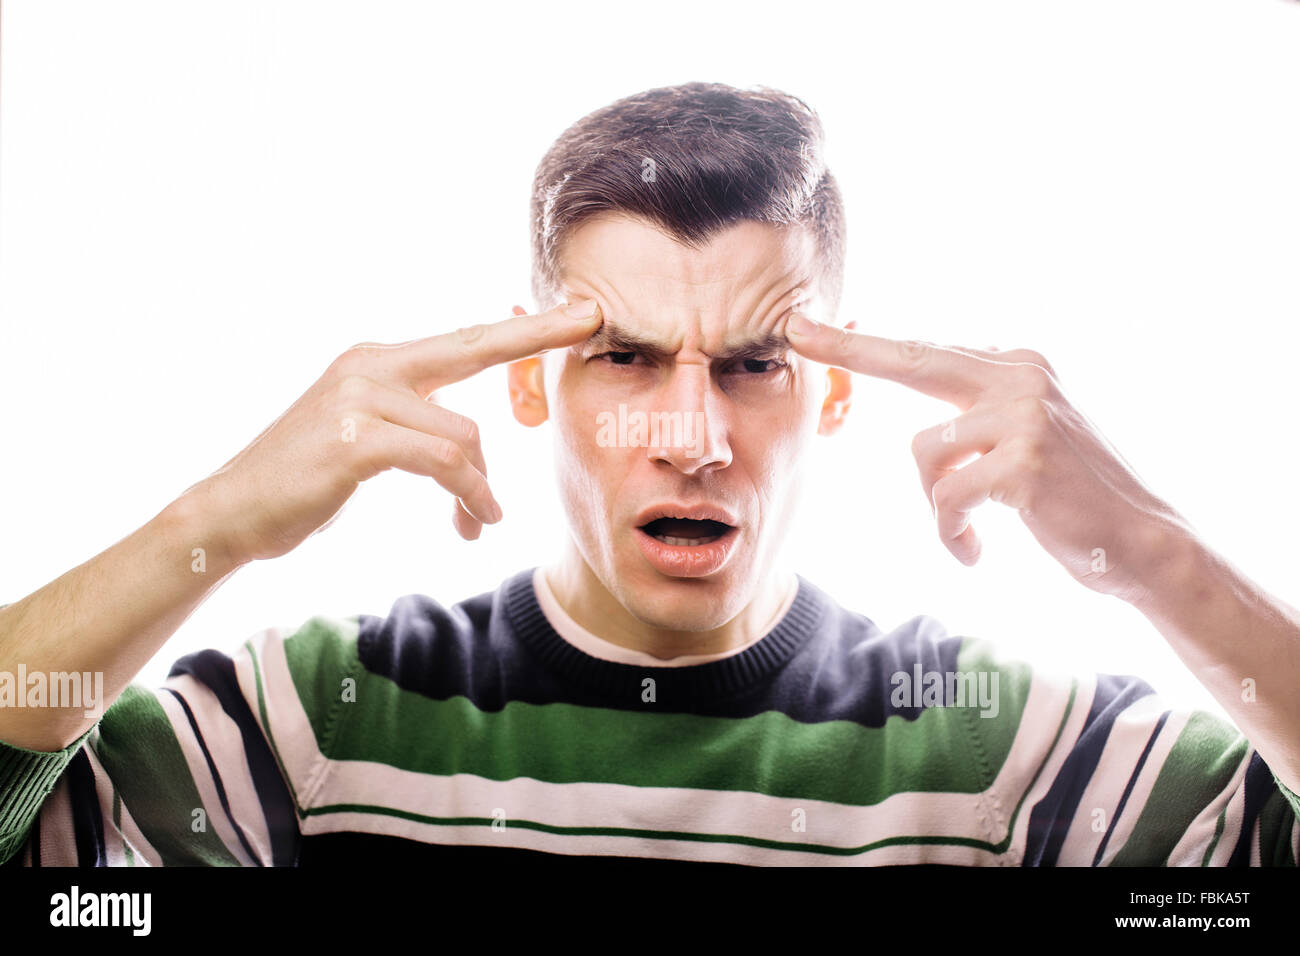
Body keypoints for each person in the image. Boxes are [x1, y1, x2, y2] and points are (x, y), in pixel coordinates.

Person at [1, 82, 1296, 867]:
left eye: (753, 363)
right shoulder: (310, 727)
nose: (691, 436)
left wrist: (1162, 554)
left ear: (833, 391)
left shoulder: (1004, 759)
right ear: (528, 380)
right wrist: (213, 524)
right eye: (622, 356)